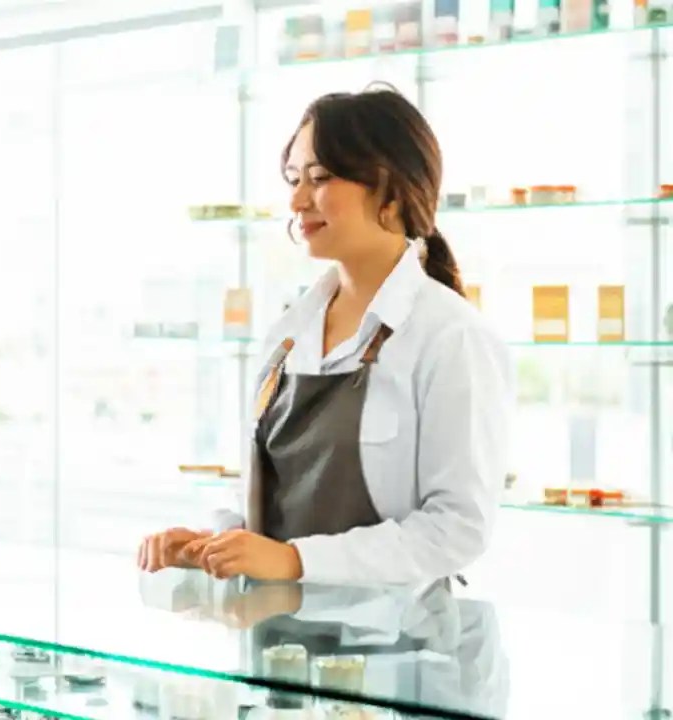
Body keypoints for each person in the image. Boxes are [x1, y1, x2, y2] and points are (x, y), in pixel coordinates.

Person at [139, 87, 512, 587]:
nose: (296, 200)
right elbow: (273, 491)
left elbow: (458, 529)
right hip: (279, 638)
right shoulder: (287, 335)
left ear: (391, 189)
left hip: (397, 649)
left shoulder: (451, 336)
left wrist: (296, 562)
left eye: (319, 178)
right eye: (294, 180)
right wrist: (213, 542)